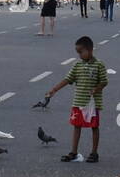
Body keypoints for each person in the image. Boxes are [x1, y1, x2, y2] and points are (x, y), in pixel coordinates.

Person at [44, 35, 107, 163]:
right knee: (76, 126)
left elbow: (104, 81)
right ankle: (73, 152)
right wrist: (54, 90)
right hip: (78, 102)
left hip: (92, 104)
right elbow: (68, 79)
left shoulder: (99, 65)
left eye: (81, 52)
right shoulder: (77, 65)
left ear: (90, 50)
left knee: (94, 127)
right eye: (77, 52)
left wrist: (96, 89)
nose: (79, 55)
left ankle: (94, 153)